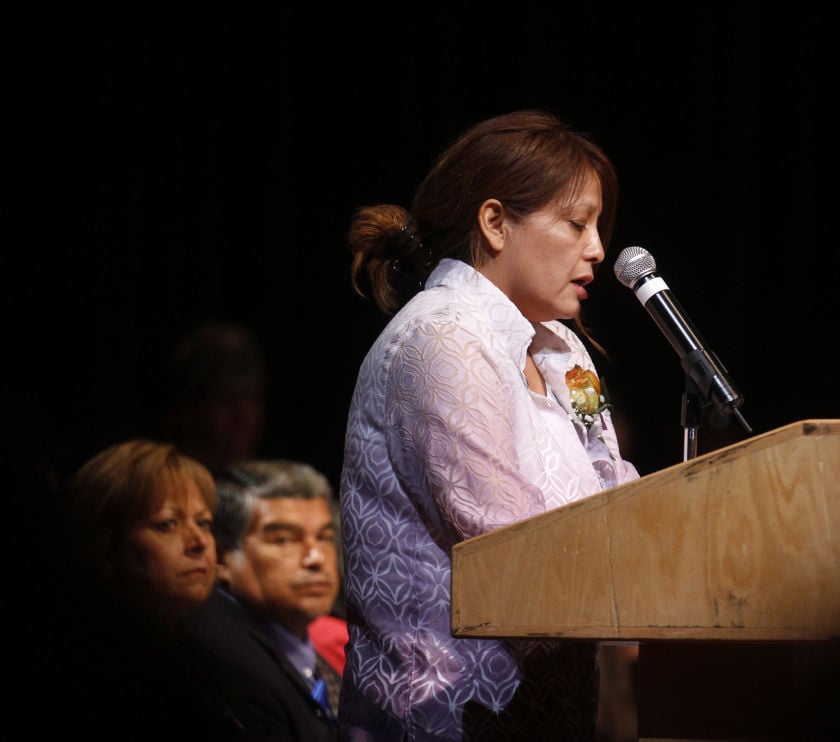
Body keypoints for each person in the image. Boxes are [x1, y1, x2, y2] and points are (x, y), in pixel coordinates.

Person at [339, 109, 640, 741]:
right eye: (577, 223)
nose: (597, 249)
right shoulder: (441, 338)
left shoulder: (561, 346)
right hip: (447, 721)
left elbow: (617, 493)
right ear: (496, 223)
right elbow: (517, 549)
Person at [45, 439, 245, 740]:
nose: (199, 542)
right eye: (166, 525)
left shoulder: (193, 648)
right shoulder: (99, 671)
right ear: (107, 546)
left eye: (203, 523)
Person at [181, 459, 343, 742]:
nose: (316, 558)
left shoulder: (293, 645)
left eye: (324, 537)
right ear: (221, 558)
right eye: (283, 540)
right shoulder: (230, 662)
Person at [160, 320, 269, 473]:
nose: (244, 414)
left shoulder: (273, 488)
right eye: (228, 398)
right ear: (191, 409)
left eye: (253, 398)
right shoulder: (163, 486)